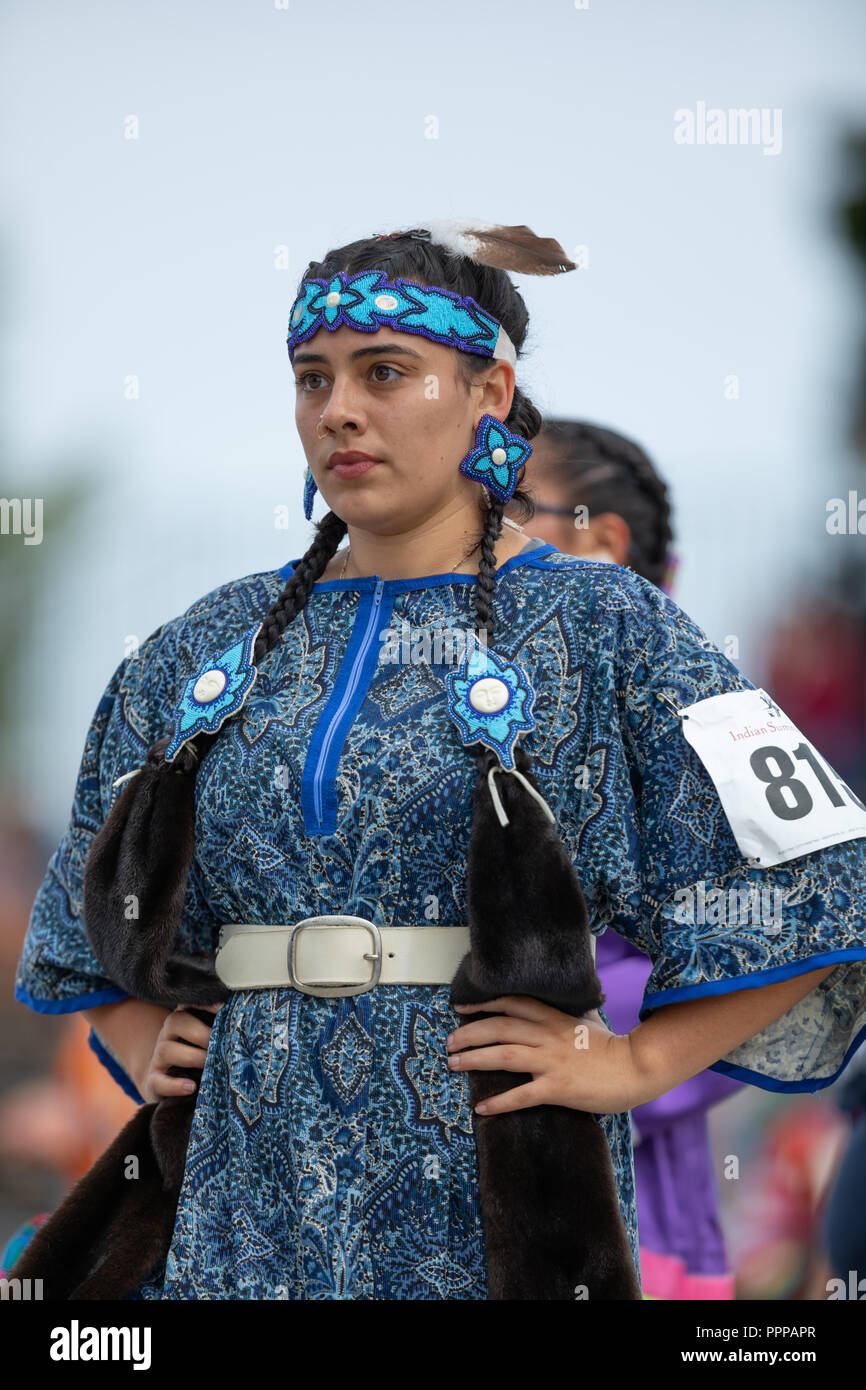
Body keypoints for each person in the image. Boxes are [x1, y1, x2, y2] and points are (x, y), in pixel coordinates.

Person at [12, 222, 866, 1301]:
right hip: (236, 1194)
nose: (338, 411)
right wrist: (137, 1033)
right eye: (312, 378)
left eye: (384, 373)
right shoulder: (204, 646)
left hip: (494, 1184)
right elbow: (82, 903)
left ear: (488, 391)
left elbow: (820, 872)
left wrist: (635, 1065)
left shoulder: (603, 624)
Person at [523, 420, 744, 1299]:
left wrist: (622, 1061)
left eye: (508, 509)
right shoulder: (480, 707)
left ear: (599, 542)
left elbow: (803, 934)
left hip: (629, 1216)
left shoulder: (690, 726)